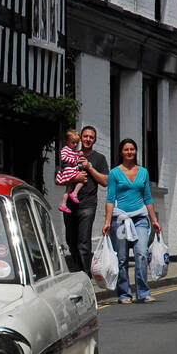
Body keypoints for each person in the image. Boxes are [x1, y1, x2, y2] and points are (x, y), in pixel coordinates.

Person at [102, 137, 161, 303]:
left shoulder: (143, 172)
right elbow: (110, 199)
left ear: (135, 152)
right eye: (126, 149)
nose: (130, 152)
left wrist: (154, 220)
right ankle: (124, 294)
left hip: (140, 219)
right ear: (121, 152)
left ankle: (143, 292)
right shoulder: (114, 173)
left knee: (141, 254)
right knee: (121, 258)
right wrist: (107, 222)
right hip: (120, 220)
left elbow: (148, 198)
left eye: (132, 149)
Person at [62, 125, 109, 275]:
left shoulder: (99, 158)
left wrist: (89, 168)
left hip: (87, 204)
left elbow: (105, 181)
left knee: (83, 242)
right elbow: (61, 175)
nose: (88, 139)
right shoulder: (72, 154)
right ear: (81, 138)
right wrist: (75, 177)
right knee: (71, 241)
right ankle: (77, 274)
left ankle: (86, 275)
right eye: (86, 136)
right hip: (70, 204)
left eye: (91, 137)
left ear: (94, 140)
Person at [54, 129, 85, 214]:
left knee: (68, 189)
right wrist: (74, 161)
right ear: (67, 141)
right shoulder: (65, 149)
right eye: (73, 142)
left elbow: (77, 159)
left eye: (77, 143)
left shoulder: (75, 151)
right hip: (68, 170)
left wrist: (80, 156)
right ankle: (75, 193)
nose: (75, 145)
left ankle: (63, 205)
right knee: (83, 178)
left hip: (71, 170)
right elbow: (64, 158)